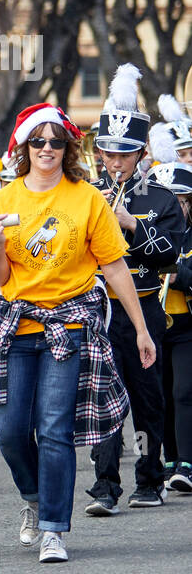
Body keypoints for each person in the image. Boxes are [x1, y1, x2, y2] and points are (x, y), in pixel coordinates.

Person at [0, 102, 154, 564]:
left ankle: (54, 529)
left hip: (70, 325)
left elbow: (115, 268)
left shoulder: (87, 198)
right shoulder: (4, 202)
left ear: (69, 147)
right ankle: (34, 500)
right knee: (10, 431)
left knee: (54, 429)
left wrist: (141, 329)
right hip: (16, 326)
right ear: (24, 147)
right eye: (39, 141)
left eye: (57, 141)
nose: (48, 149)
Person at [83, 64, 182, 514]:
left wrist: (129, 224)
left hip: (143, 308)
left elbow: (167, 255)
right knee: (101, 397)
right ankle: (105, 485)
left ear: (142, 153)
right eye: (109, 154)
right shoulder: (84, 194)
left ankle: (150, 478)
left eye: (125, 154)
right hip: (96, 310)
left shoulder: (161, 199)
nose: (116, 162)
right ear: (100, 152)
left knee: (147, 397)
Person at [148, 126, 192, 492]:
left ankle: (187, 463)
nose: (175, 206)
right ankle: (169, 461)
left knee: (184, 393)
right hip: (156, 324)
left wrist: (181, 275)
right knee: (160, 396)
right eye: (169, 199)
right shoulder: (150, 233)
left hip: (189, 326)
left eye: (182, 199)